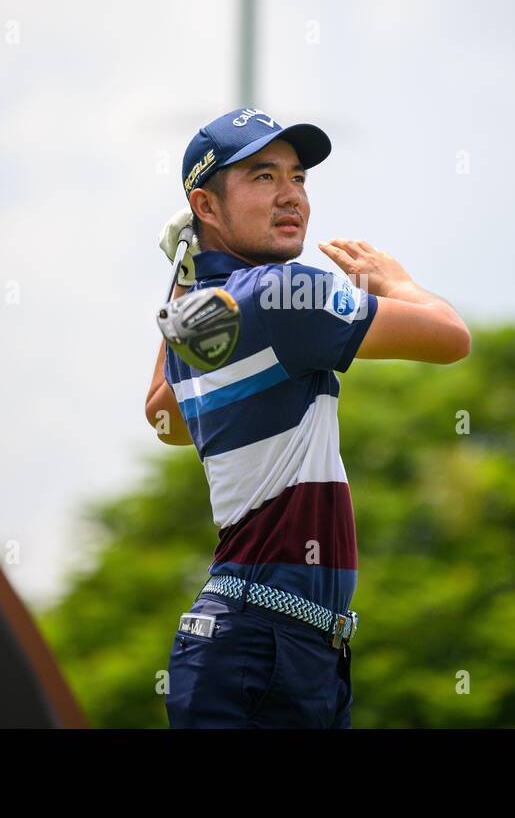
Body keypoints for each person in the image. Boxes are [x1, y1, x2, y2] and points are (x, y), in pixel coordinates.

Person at [144, 106, 470, 727]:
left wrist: (183, 279)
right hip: (263, 647)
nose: (292, 195)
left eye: (299, 177)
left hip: (272, 645)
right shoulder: (284, 292)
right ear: (206, 208)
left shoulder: (202, 315)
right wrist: (395, 282)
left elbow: (164, 415)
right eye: (263, 177)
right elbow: (451, 336)